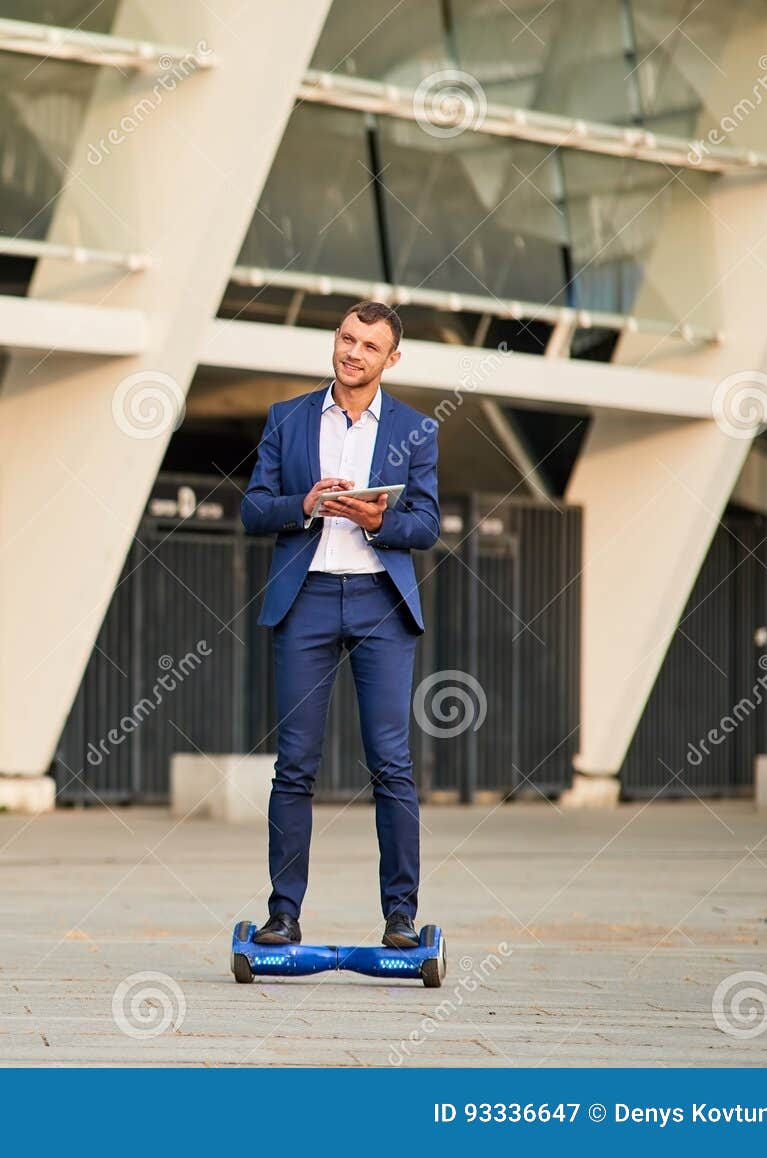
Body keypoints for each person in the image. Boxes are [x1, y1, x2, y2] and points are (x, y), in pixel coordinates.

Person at [240, 300, 440, 949]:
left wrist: (380, 521)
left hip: (381, 601)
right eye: (347, 339)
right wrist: (303, 504)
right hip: (307, 599)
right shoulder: (287, 418)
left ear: (391, 359)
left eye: (369, 346)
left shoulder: (416, 429)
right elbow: (252, 510)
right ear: (336, 340)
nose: (353, 353)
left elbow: (429, 525)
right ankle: (284, 913)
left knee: (392, 764)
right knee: (294, 764)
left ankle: (401, 915)